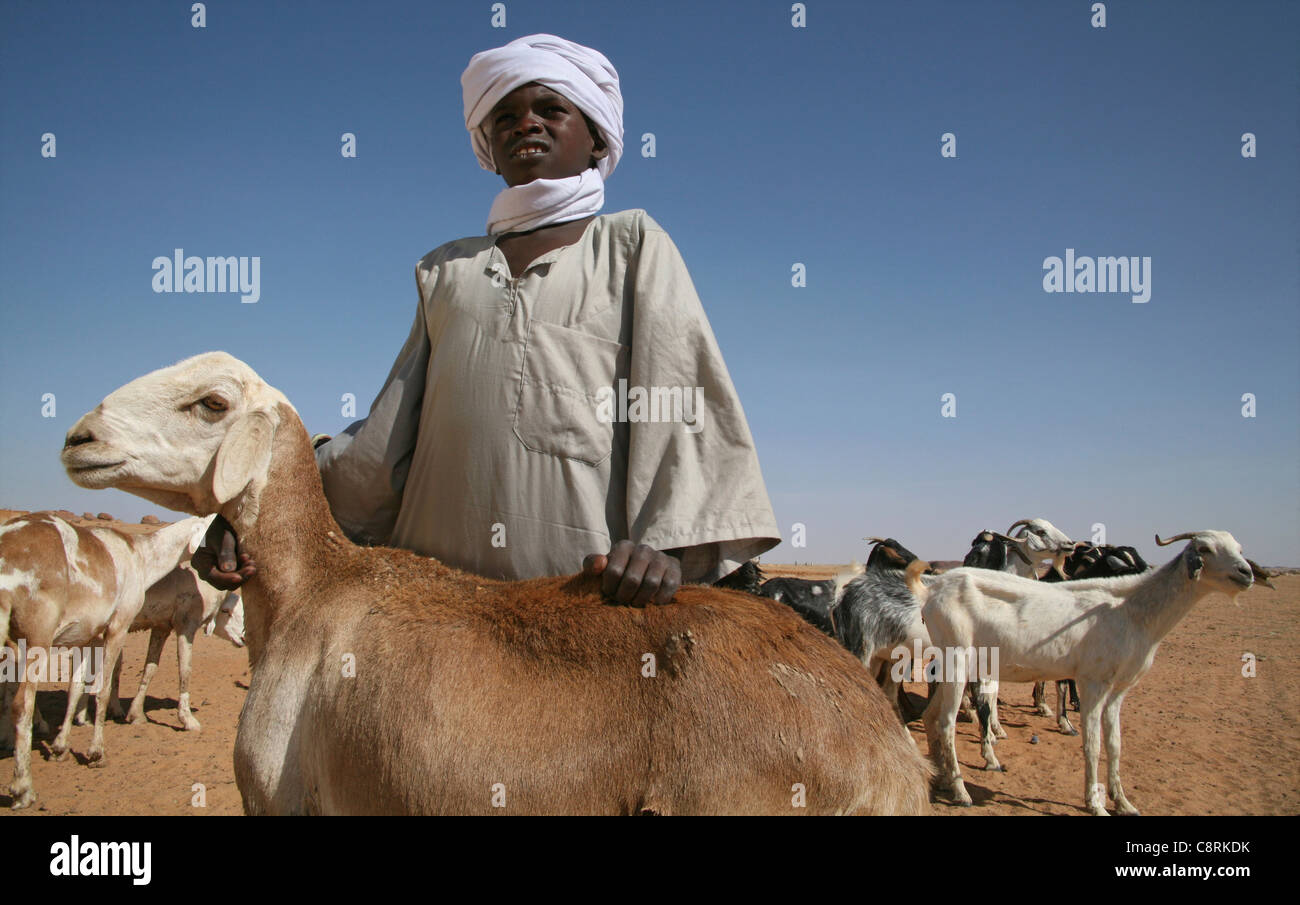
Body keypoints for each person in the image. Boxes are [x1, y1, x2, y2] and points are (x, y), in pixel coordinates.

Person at [199, 34, 779, 606]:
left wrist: (662, 548)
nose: (525, 124)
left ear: (598, 138)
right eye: (504, 117)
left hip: (582, 612)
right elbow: (385, 438)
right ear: (487, 145)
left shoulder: (632, 247)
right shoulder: (445, 271)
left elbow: (676, 395)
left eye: (551, 109)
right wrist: (268, 507)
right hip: (433, 615)